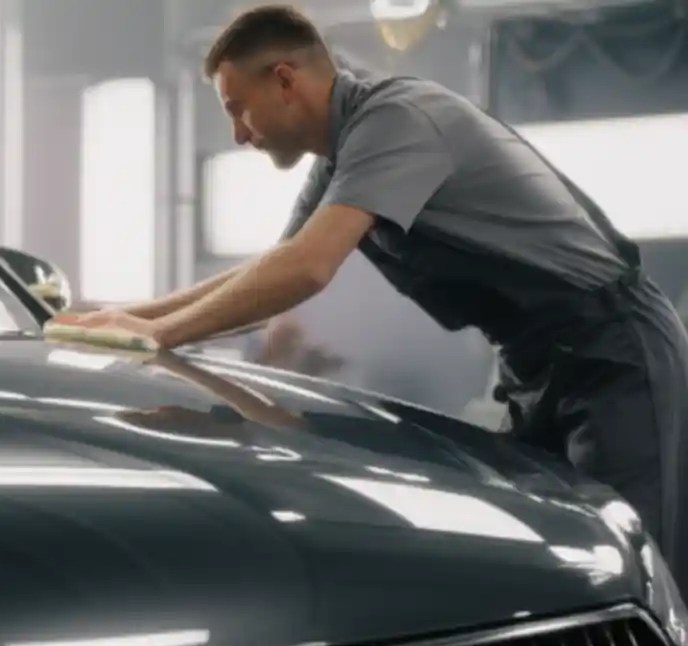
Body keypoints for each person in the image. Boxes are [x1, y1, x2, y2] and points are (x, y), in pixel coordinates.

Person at [56, 3, 688, 586]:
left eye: (237, 107)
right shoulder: (341, 155)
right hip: (538, 362)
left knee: (635, 568)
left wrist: (160, 335)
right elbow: (268, 273)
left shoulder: (397, 120)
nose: (239, 135)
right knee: (555, 568)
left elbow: (305, 271)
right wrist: (125, 318)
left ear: (285, 80)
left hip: (615, 351)